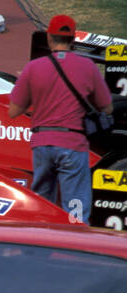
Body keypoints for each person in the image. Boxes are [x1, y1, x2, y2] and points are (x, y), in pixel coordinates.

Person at [8, 14, 113, 221]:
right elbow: (107, 107)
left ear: (49, 38)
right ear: (73, 40)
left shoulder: (33, 68)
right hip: (73, 144)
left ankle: (39, 243)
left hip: (42, 144)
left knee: (41, 203)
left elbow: (13, 111)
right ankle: (74, 244)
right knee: (75, 206)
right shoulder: (87, 67)